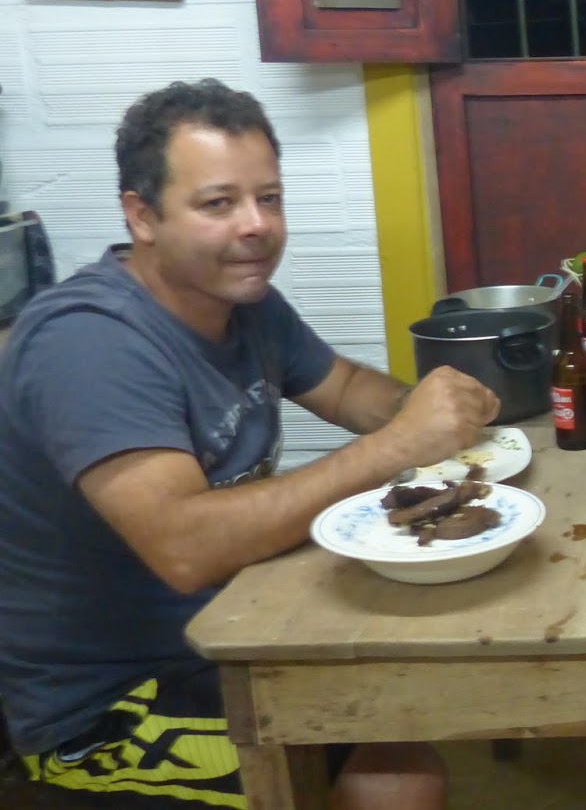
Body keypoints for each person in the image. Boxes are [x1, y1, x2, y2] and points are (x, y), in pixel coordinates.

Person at [0, 79, 502, 809]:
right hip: (112, 702)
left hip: (232, 627)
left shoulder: (242, 299)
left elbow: (342, 387)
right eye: (218, 203)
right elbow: (184, 547)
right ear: (142, 215)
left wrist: (433, 411)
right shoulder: (90, 343)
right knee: (398, 780)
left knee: (413, 692)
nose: (257, 225)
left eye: (269, 198)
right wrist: (399, 443)